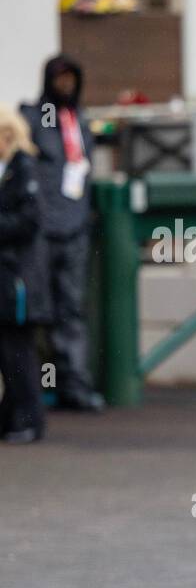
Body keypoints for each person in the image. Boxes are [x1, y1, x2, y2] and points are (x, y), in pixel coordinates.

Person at [20, 54, 104, 412]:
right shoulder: (33, 118)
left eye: (72, 79)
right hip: (40, 231)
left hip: (74, 228)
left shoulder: (79, 121)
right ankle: (38, 387)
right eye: (61, 79)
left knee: (71, 310)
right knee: (38, 312)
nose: (66, 86)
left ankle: (74, 386)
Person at [0, 104, 50, 443]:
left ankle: (30, 420)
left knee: (18, 352)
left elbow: (30, 221)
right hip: (8, 276)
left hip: (19, 279)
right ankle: (11, 419)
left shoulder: (24, 168)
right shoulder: (9, 170)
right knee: (7, 353)